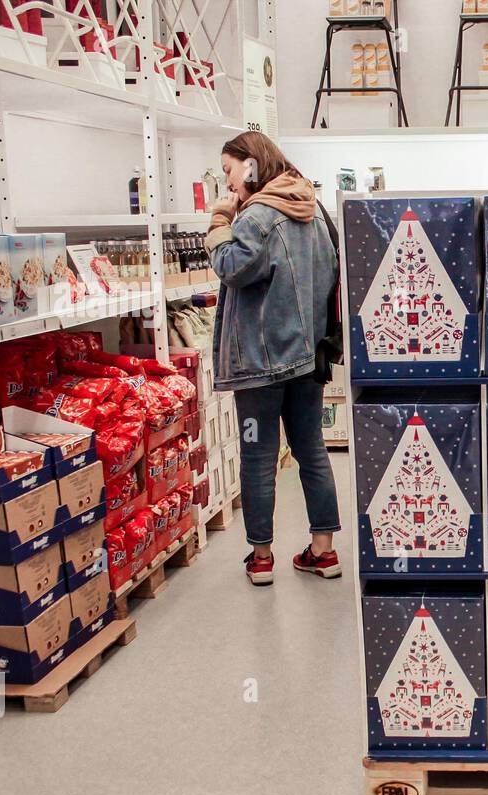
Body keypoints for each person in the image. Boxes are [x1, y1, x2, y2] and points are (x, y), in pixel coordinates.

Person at [206, 131, 342, 586]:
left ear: (250, 167)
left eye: (229, 171)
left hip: (261, 367)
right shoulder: (315, 212)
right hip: (308, 359)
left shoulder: (258, 216)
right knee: (312, 452)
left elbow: (231, 267)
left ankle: (261, 556)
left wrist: (220, 222)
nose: (228, 185)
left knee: (258, 455)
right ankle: (323, 552)